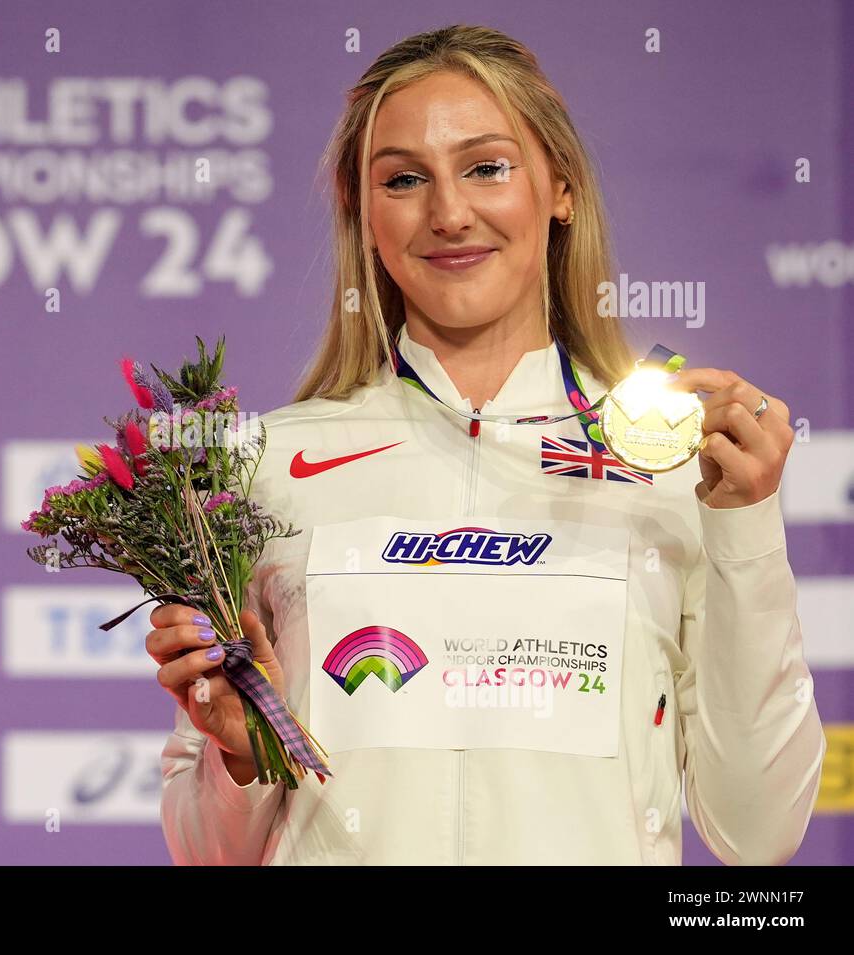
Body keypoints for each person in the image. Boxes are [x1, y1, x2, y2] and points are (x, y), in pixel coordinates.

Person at [145, 24, 825, 865]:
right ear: (362, 215)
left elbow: (758, 830)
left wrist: (746, 526)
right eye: (403, 179)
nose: (450, 212)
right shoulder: (267, 469)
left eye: (487, 167)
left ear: (560, 186)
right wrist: (243, 755)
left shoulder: (678, 465)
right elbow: (208, 853)